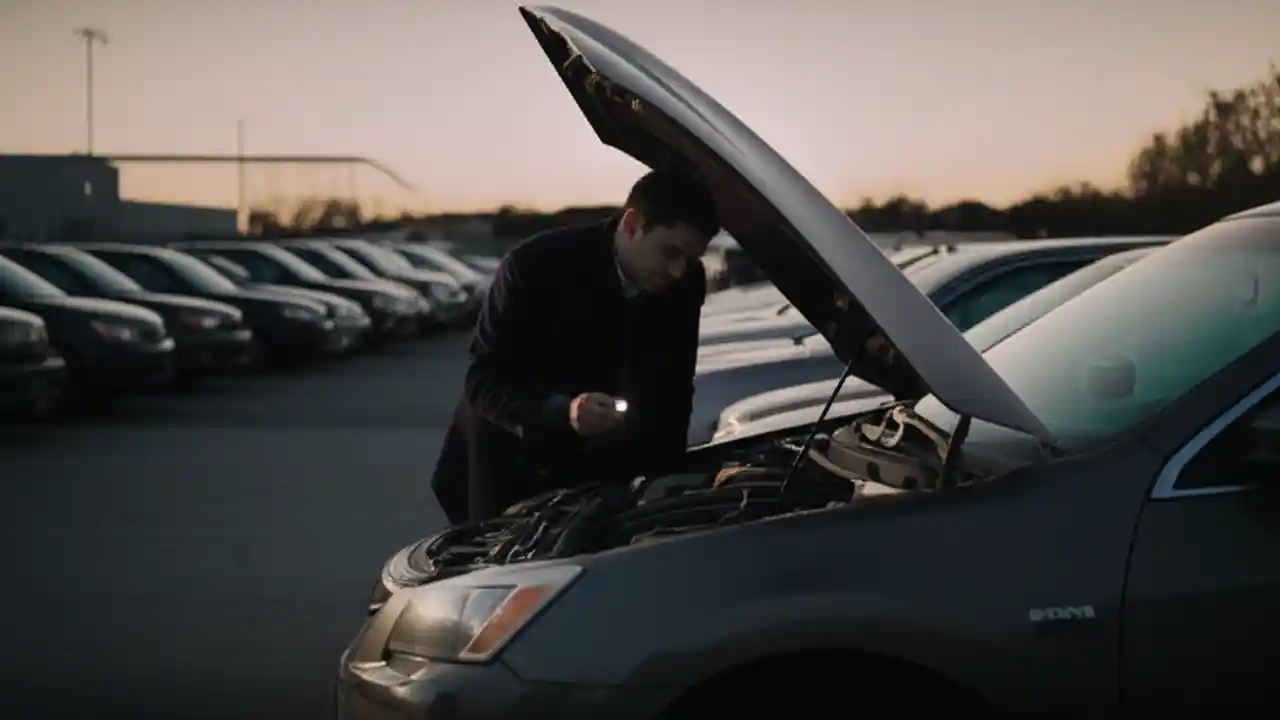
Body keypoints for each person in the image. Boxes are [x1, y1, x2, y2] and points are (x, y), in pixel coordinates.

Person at [430, 169, 721, 524]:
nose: (678, 270)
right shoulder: (535, 266)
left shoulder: (686, 283)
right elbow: (484, 378)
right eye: (670, 252)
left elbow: (675, 387)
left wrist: (666, 482)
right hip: (508, 472)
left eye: (690, 258)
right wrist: (563, 410)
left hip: (605, 482)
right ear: (631, 224)